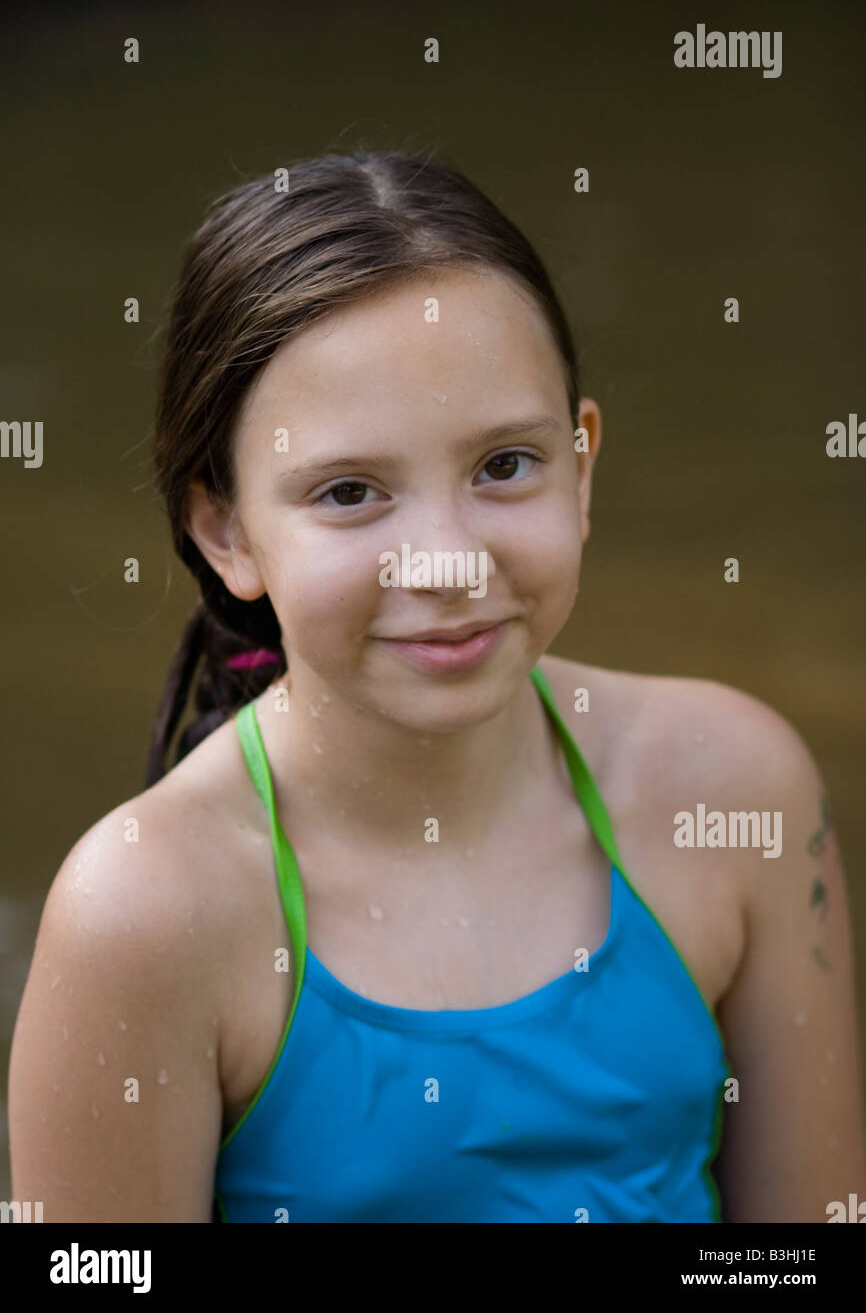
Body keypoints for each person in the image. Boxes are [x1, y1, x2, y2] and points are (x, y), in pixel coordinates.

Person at [9, 151, 866, 1222]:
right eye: (351, 491)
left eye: (504, 465)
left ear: (582, 463)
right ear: (224, 529)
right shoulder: (144, 914)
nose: (448, 560)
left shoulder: (733, 793)